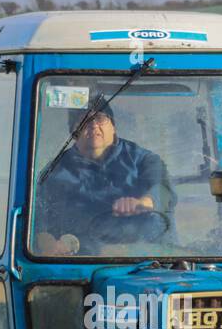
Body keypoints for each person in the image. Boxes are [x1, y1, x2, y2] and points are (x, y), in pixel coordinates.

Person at [34, 99, 175, 255]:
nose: (93, 125)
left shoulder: (143, 160)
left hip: (149, 258)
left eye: (100, 118)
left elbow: (165, 192)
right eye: (84, 120)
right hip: (84, 260)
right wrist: (47, 243)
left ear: (113, 127)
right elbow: (37, 217)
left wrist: (144, 202)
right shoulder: (54, 172)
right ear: (74, 131)